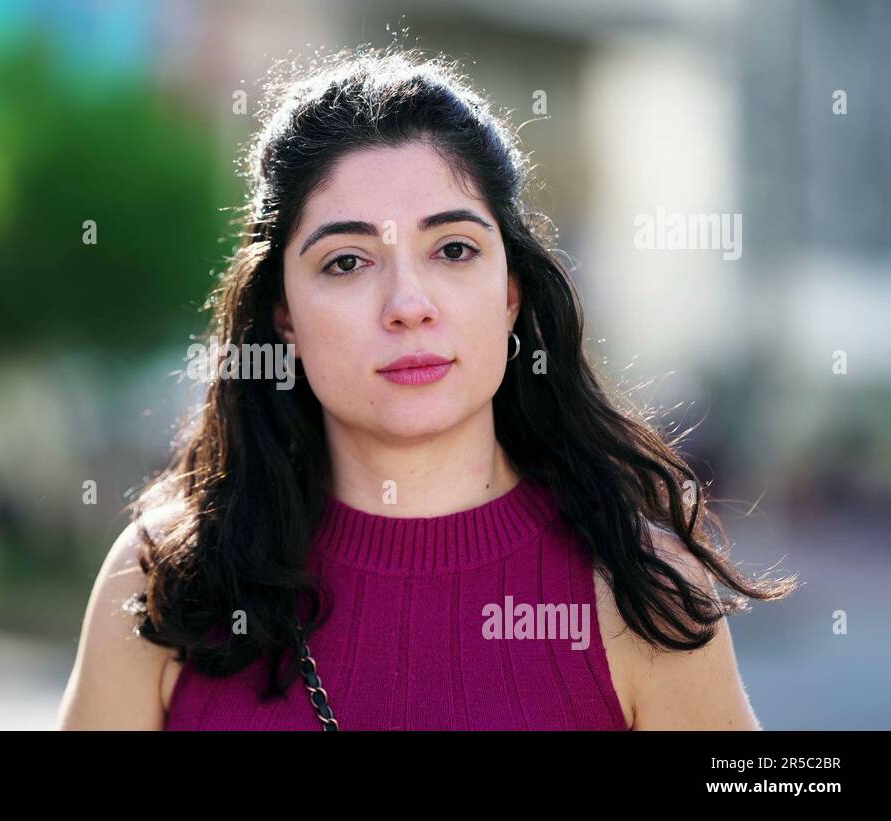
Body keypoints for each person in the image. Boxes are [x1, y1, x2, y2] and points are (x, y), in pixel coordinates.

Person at [57, 45, 795, 730]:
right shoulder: (166, 581)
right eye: (347, 261)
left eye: (453, 249)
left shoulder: (644, 594)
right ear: (282, 313)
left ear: (510, 292)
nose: (408, 303)